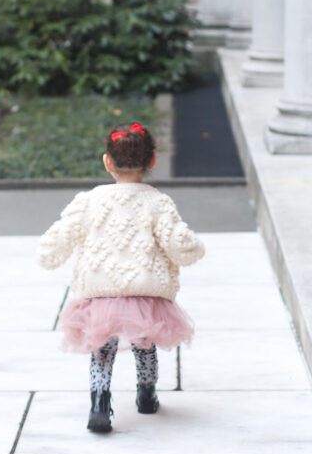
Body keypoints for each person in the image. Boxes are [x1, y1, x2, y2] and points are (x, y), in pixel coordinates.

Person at [37, 122, 205, 433]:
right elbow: (182, 246)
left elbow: (56, 241)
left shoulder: (89, 200)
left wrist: (48, 253)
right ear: (152, 161)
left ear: (107, 162)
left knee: (102, 348)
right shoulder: (157, 203)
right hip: (145, 292)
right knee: (145, 343)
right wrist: (196, 248)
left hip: (100, 292)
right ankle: (146, 394)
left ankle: (100, 404)